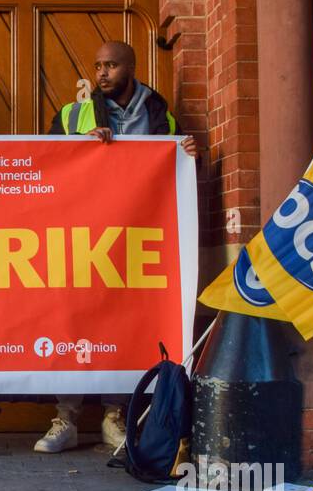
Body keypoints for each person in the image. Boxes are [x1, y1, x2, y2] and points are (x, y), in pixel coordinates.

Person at [34, 40, 199, 454]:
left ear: (131, 67)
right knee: (72, 320)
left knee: (121, 319)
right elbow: (48, 163)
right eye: (97, 65)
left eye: (110, 65)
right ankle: (65, 418)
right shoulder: (74, 113)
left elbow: (171, 170)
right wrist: (82, 148)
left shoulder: (160, 114)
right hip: (79, 234)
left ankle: (113, 416)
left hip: (133, 235)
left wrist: (186, 155)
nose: (102, 73)